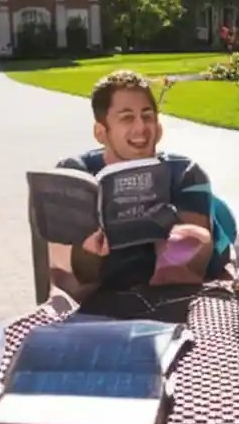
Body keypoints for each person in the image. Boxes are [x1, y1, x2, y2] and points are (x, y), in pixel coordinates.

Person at [49, 70, 228, 296]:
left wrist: (165, 226)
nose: (141, 128)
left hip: (169, 292)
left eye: (147, 116)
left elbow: (198, 246)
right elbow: (60, 264)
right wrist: (88, 249)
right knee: (68, 248)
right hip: (92, 291)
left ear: (159, 127)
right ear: (101, 132)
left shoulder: (185, 172)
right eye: (126, 118)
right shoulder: (74, 171)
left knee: (193, 238)